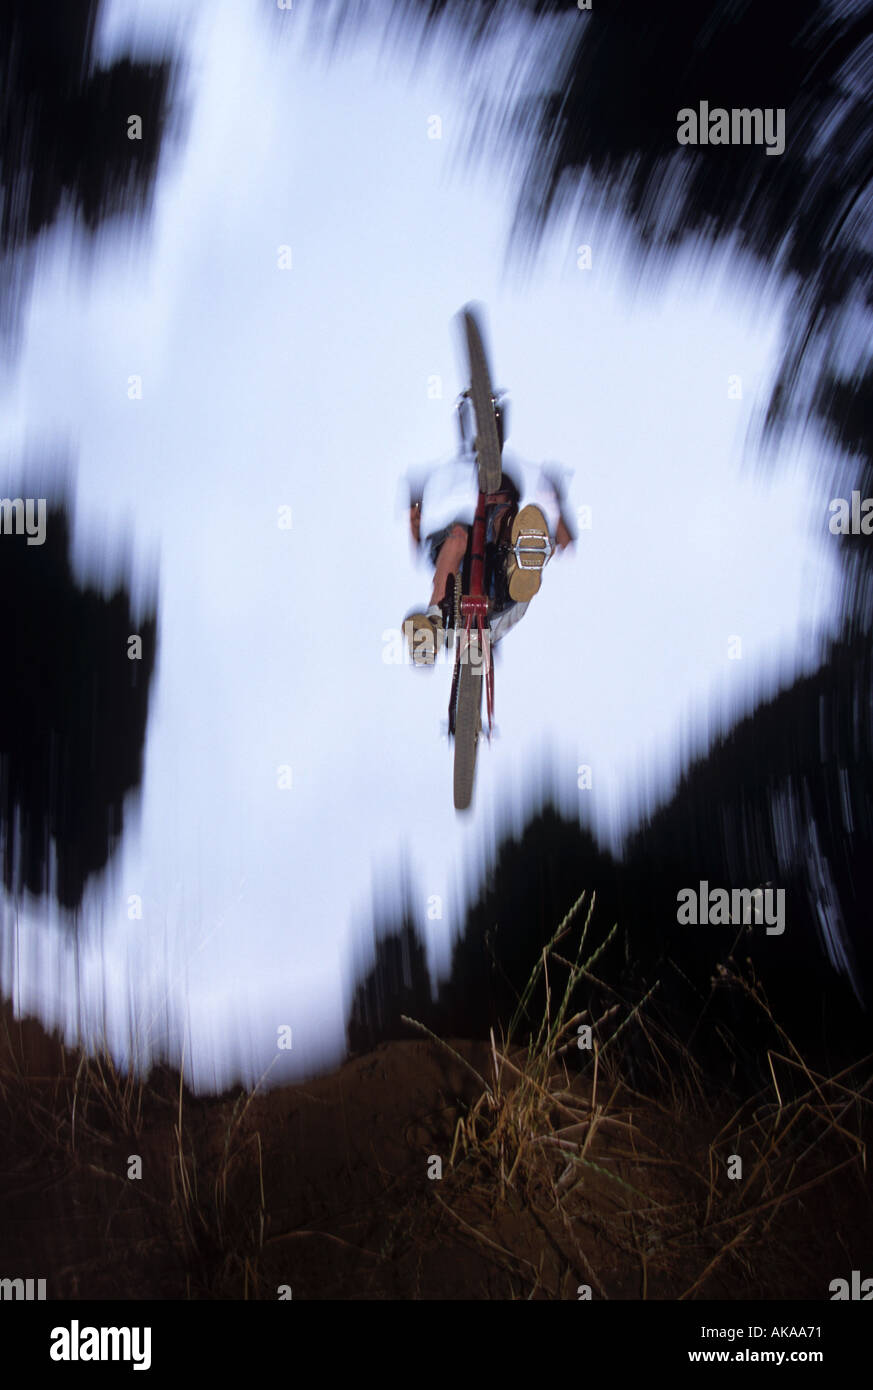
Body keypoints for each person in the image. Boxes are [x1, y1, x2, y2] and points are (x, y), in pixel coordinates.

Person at [404, 397, 574, 665]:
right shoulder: (473, 530)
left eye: (503, 497)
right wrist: (415, 520)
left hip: (503, 597)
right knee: (458, 535)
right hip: (463, 587)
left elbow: (565, 541)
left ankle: (521, 569)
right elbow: (425, 547)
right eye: (494, 497)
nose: (497, 501)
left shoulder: (510, 522)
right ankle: (435, 621)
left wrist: (557, 504)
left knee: (517, 526)